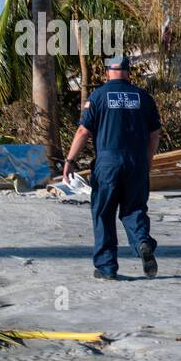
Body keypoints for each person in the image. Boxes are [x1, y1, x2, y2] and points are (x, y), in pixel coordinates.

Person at [62, 56, 162, 281]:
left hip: (108, 163)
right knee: (134, 209)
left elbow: (83, 132)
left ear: (108, 72)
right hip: (136, 162)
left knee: (104, 213)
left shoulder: (98, 96)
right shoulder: (144, 98)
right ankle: (142, 243)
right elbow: (154, 134)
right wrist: (147, 161)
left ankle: (107, 268)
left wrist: (70, 161)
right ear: (128, 72)